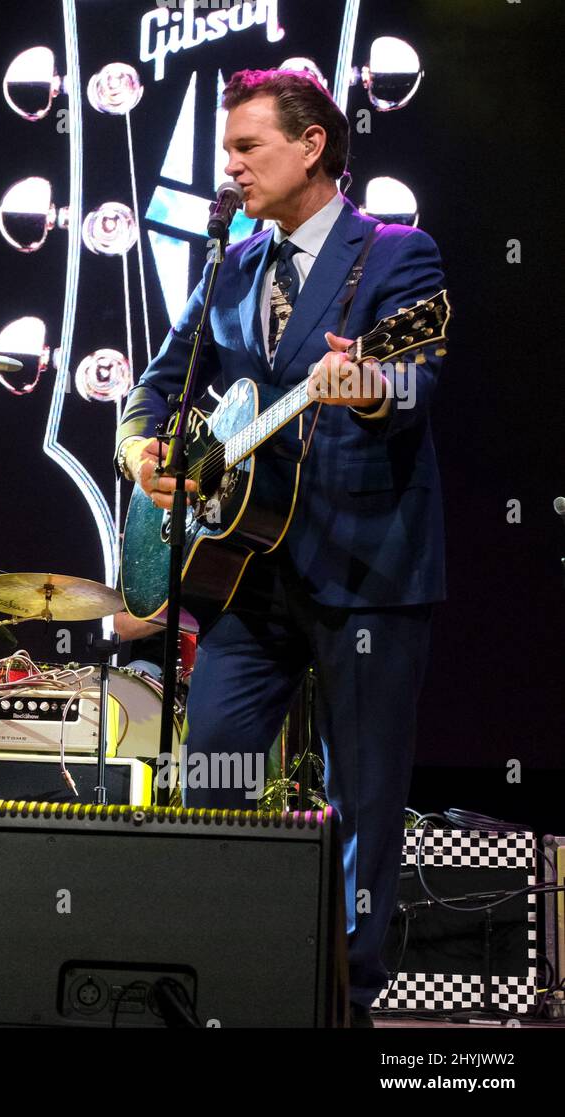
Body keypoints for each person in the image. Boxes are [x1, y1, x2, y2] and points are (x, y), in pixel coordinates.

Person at [116, 69, 445, 1026]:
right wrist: (144, 449)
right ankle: (207, 974)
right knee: (212, 765)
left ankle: (348, 998)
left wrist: (373, 387)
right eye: (227, 152)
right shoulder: (230, 265)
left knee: (365, 798)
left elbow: (421, 384)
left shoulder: (397, 256)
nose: (231, 170)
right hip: (244, 578)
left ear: (312, 148)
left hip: (365, 571)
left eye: (246, 149)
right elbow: (157, 383)